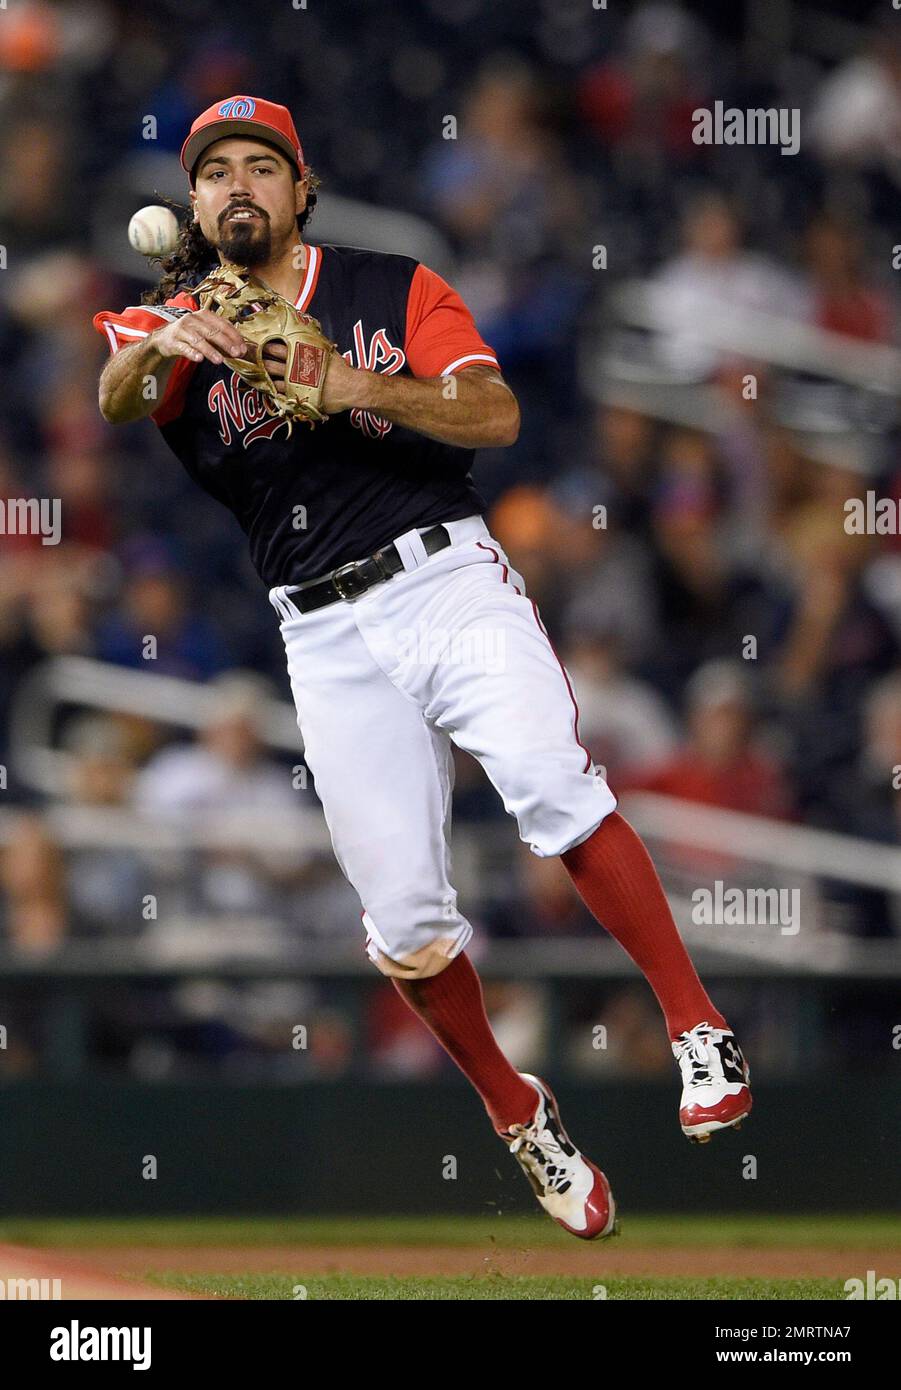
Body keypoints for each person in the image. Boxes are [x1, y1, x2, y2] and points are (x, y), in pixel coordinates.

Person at [93, 95, 751, 1240]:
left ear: (302, 190)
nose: (238, 185)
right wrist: (163, 338)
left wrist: (350, 384)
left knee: (550, 782)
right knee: (401, 924)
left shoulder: (390, 287)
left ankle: (698, 1026)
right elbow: (118, 397)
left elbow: (491, 413)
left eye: (263, 166)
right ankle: (516, 1110)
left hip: (442, 575)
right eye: (216, 172)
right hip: (320, 632)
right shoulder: (168, 326)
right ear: (194, 203)